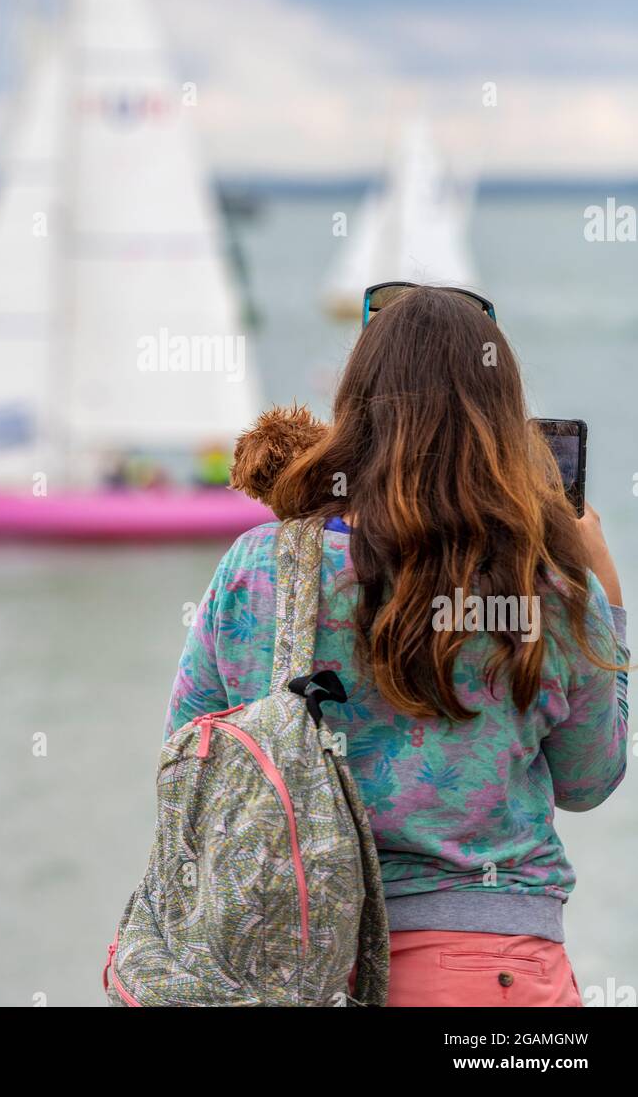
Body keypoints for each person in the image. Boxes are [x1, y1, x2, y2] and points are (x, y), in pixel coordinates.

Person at [166, 285, 629, 1008]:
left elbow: (189, 754)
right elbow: (588, 779)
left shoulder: (258, 567)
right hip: (487, 967)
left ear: (353, 404)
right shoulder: (550, 589)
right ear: (506, 422)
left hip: (287, 966)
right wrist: (610, 602)